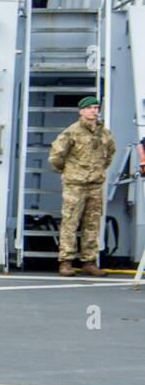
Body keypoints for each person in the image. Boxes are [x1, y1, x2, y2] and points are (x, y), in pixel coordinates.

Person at [49, 95, 116, 276]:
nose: (94, 111)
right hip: (75, 185)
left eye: (96, 107)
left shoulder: (104, 133)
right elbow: (56, 155)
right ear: (81, 111)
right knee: (70, 222)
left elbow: (109, 154)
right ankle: (66, 261)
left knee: (92, 224)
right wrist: (69, 171)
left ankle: (89, 261)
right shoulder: (72, 132)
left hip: (95, 184)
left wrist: (97, 170)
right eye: (90, 108)